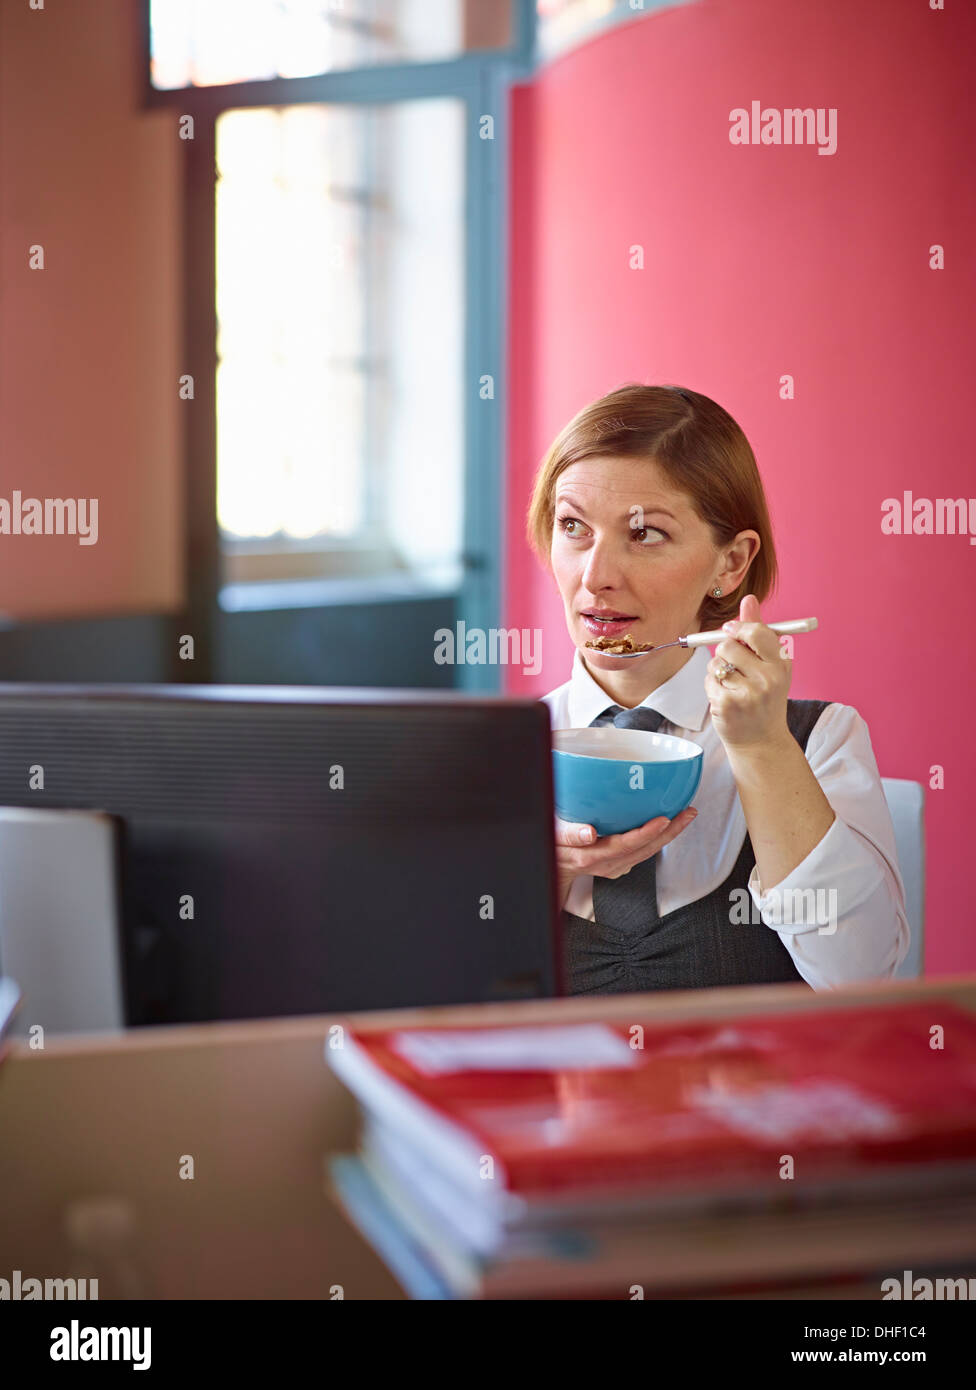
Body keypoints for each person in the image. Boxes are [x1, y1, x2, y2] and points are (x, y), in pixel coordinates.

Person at [527, 383, 909, 994]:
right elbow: (420, 993)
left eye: (646, 533)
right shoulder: (501, 751)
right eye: (573, 526)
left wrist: (762, 749)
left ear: (730, 564)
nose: (595, 577)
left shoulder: (817, 739)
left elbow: (861, 979)